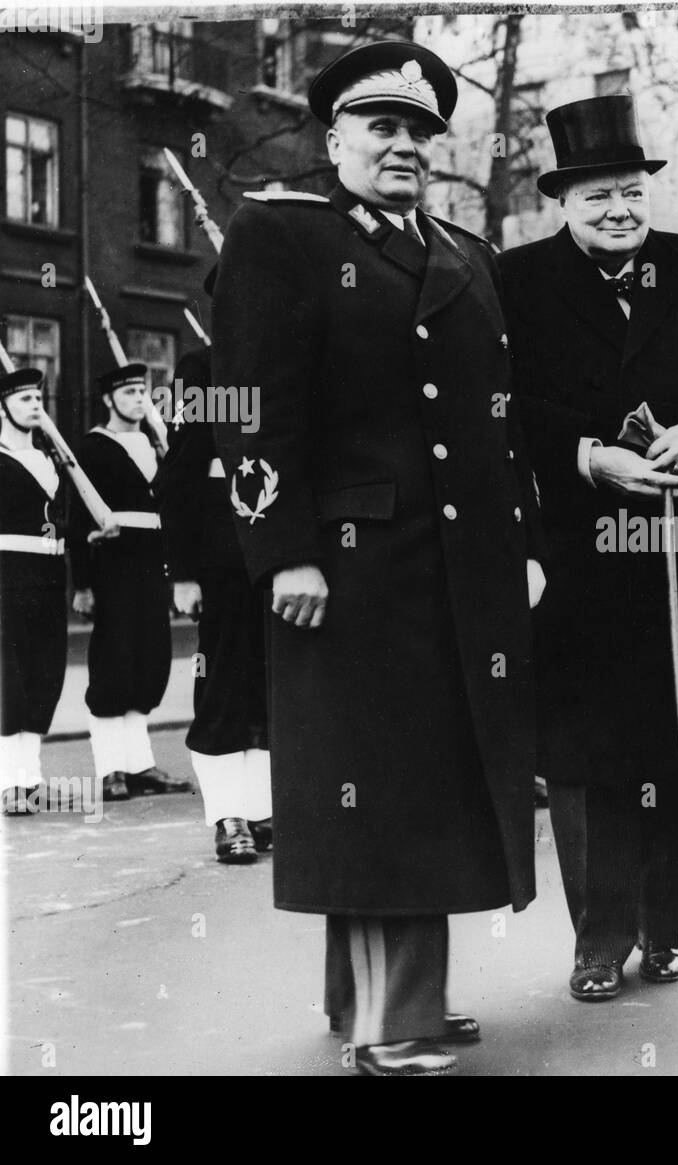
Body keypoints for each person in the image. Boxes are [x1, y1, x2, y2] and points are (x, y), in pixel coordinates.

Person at [210, 38, 546, 1076]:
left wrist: (523, 540)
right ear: (336, 138)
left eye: (419, 131)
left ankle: (395, 998)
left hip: (458, 570)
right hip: (349, 570)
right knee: (372, 790)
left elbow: (500, 420)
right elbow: (248, 410)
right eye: (382, 127)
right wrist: (284, 555)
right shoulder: (281, 235)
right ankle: (386, 1021)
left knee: (433, 785)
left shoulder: (461, 251)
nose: (403, 145)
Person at [497, 94, 678, 1001]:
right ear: (562, 203)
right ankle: (598, 939)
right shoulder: (517, 283)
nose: (619, 211)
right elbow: (498, 404)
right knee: (588, 755)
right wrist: (588, 456)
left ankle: (663, 930)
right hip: (583, 556)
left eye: (630, 192)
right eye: (597, 198)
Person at [156, 343, 272, 862]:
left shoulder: (288, 357)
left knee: (274, 681)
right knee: (224, 680)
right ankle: (229, 814)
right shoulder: (205, 367)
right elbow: (179, 473)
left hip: (284, 550)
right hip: (223, 553)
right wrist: (183, 572)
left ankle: (264, 808)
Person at [70, 364, 184, 802]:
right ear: (108, 399)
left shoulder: (160, 444)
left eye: (143, 391)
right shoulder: (92, 448)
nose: (139, 398)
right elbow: (78, 515)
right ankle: (110, 768)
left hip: (154, 565)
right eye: (129, 391)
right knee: (113, 664)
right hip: (113, 566)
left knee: (149, 660)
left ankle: (140, 765)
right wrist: (82, 585)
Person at [0, 368, 68, 816]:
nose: (36, 405)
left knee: (45, 673)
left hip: (49, 574)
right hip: (7, 573)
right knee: (11, 678)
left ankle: (32, 777)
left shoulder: (53, 459)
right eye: (25, 399)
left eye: (39, 398)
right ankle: (11, 782)